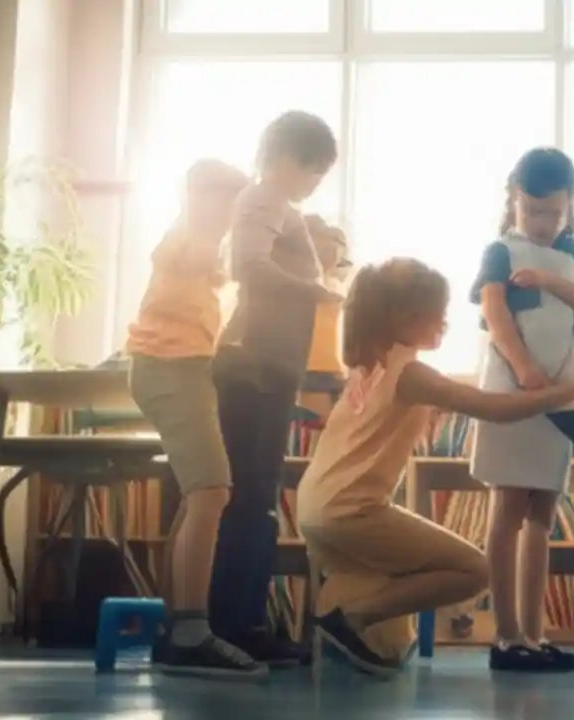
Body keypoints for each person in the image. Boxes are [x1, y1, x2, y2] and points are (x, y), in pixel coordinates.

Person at [297, 258, 574, 678]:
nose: (445, 323)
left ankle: (346, 629)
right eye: (438, 313)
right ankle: (352, 619)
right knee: (474, 570)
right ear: (405, 318)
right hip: (352, 509)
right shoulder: (411, 372)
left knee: (389, 645)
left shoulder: (368, 366)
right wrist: (570, 391)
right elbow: (494, 409)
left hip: (315, 508)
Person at [469, 147, 574, 672]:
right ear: (514, 202)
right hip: (512, 386)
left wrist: (550, 281)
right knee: (508, 510)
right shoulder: (500, 252)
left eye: (553, 212)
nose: (543, 222)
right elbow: (494, 313)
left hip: (561, 393)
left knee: (543, 513)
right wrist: (524, 368)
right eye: (532, 211)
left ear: (571, 207)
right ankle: (506, 635)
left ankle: (535, 632)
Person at [210, 110, 339, 665]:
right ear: (290, 159)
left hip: (271, 364)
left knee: (256, 495)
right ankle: (237, 625)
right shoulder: (263, 199)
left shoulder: (278, 207)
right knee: (250, 495)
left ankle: (244, 622)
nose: (314, 185)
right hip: (255, 363)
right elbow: (249, 266)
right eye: (314, 172)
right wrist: (317, 292)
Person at [126, 159, 262, 677]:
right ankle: (189, 631)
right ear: (199, 198)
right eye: (225, 201)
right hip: (170, 368)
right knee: (210, 491)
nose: (230, 214)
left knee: (198, 493)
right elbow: (201, 256)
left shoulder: (202, 249)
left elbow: (220, 276)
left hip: (178, 368)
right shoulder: (186, 239)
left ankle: (176, 628)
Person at [304, 214, 352, 379]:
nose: (330, 258)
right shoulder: (297, 282)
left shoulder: (336, 284)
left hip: (334, 367)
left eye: (335, 254)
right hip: (310, 367)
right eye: (325, 252)